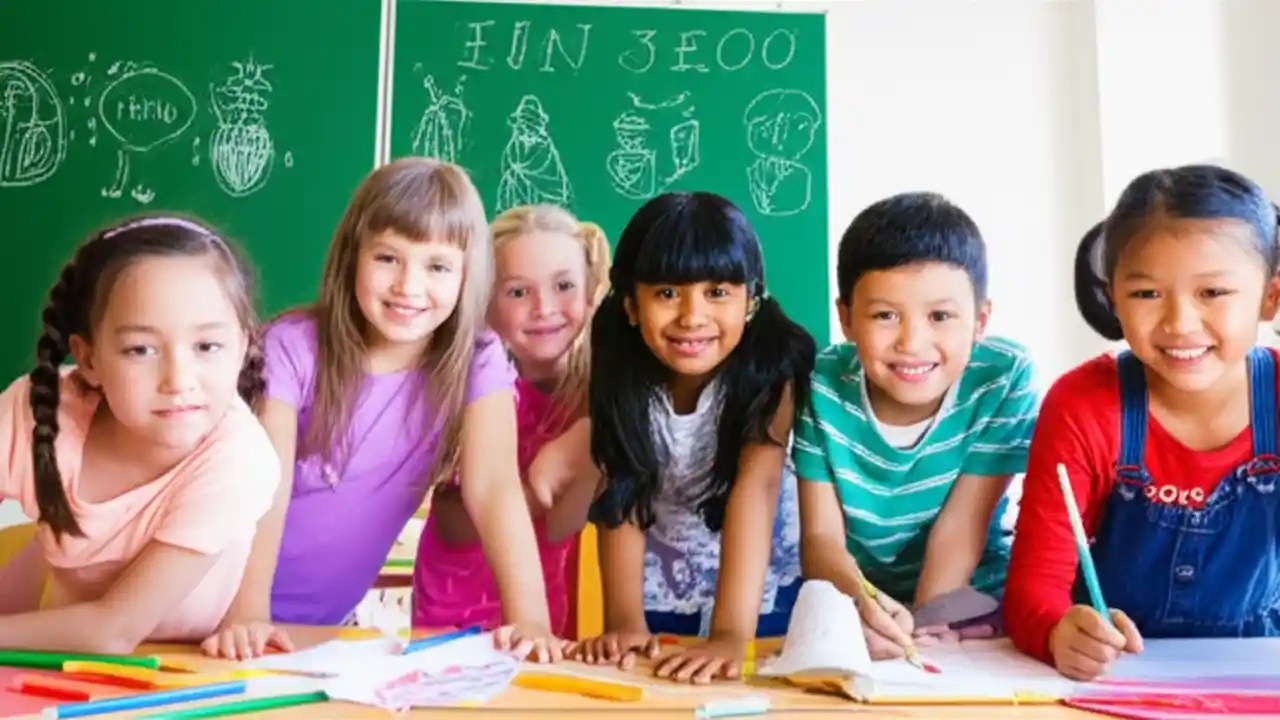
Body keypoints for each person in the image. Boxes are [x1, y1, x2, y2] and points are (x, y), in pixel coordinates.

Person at [204, 158, 565, 662]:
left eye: (437, 266)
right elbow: (266, 487)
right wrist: (246, 613)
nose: (408, 287)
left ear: (467, 276)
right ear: (353, 255)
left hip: (319, 629)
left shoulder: (476, 357)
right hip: (215, 613)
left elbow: (494, 487)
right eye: (388, 258)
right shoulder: (294, 346)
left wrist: (529, 621)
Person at [1005, 165, 1280, 680]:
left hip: (1258, 674)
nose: (1179, 323)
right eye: (1146, 294)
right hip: (1115, 675)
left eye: (1213, 293)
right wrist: (1055, 630)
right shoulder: (1082, 404)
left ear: (1269, 298)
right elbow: (1032, 588)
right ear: (1112, 297)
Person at [0, 214, 278, 652]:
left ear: (242, 346)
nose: (178, 379)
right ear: (88, 359)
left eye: (207, 346)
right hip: (57, 639)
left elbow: (114, 631)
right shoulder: (37, 410)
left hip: (182, 664)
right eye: (140, 350)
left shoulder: (239, 459)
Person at [571, 191, 815, 685]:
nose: (692, 316)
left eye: (717, 292)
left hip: (763, 600)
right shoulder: (617, 363)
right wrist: (624, 621)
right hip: (663, 595)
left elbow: (757, 487)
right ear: (631, 305)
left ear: (751, 299)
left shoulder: (772, 364)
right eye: (666, 293)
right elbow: (622, 483)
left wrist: (730, 633)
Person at [793, 192, 1039, 659]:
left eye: (941, 317)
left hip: (974, 600)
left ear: (980, 319)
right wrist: (862, 604)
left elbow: (962, 523)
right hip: (860, 599)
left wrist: (928, 619)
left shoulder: (1002, 376)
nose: (912, 342)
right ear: (845, 318)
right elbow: (821, 537)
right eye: (885, 315)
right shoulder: (821, 383)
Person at [414, 204, 610, 638]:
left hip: (552, 608)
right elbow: (454, 523)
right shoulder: (471, 385)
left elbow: (567, 524)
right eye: (518, 292)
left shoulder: (596, 396)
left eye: (564, 286)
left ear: (592, 289)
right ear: (485, 302)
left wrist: (589, 440)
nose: (545, 308)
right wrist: (540, 487)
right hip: (459, 606)